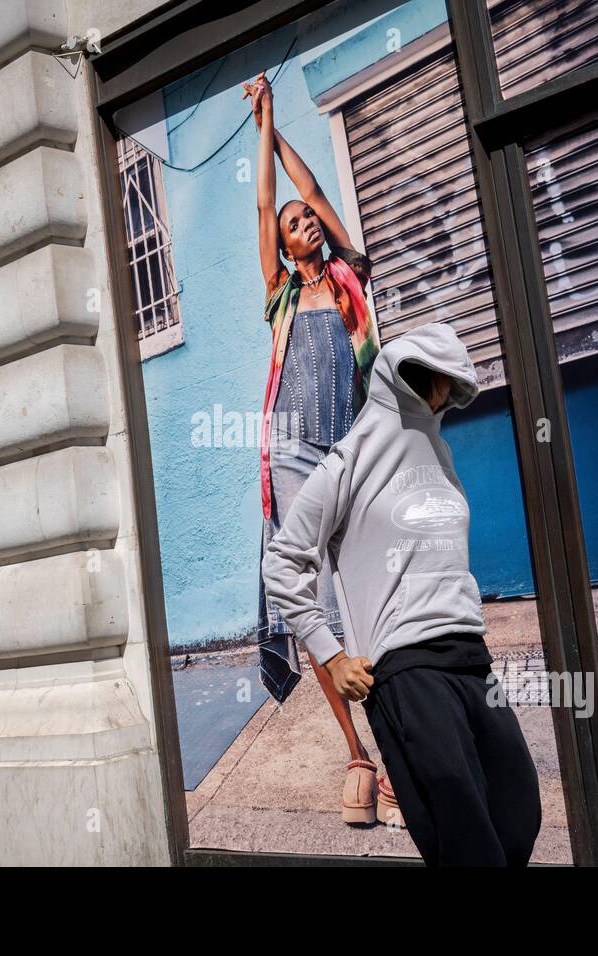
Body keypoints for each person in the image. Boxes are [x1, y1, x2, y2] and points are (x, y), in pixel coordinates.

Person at [262, 323, 542, 865]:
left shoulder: (439, 454)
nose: (449, 393)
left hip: (469, 654)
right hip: (404, 667)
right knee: (462, 832)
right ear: (415, 376)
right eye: (442, 380)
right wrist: (331, 652)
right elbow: (284, 559)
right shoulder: (350, 457)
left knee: (517, 808)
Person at [244, 72, 399, 826]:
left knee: (371, 594)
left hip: (355, 451)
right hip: (292, 456)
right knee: (313, 605)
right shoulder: (277, 290)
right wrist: (259, 127)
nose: (303, 219)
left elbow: (302, 183)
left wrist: (280, 124)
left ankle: (399, 736)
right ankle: (361, 755)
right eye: (294, 221)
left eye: (310, 217)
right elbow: (268, 199)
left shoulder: (348, 277)